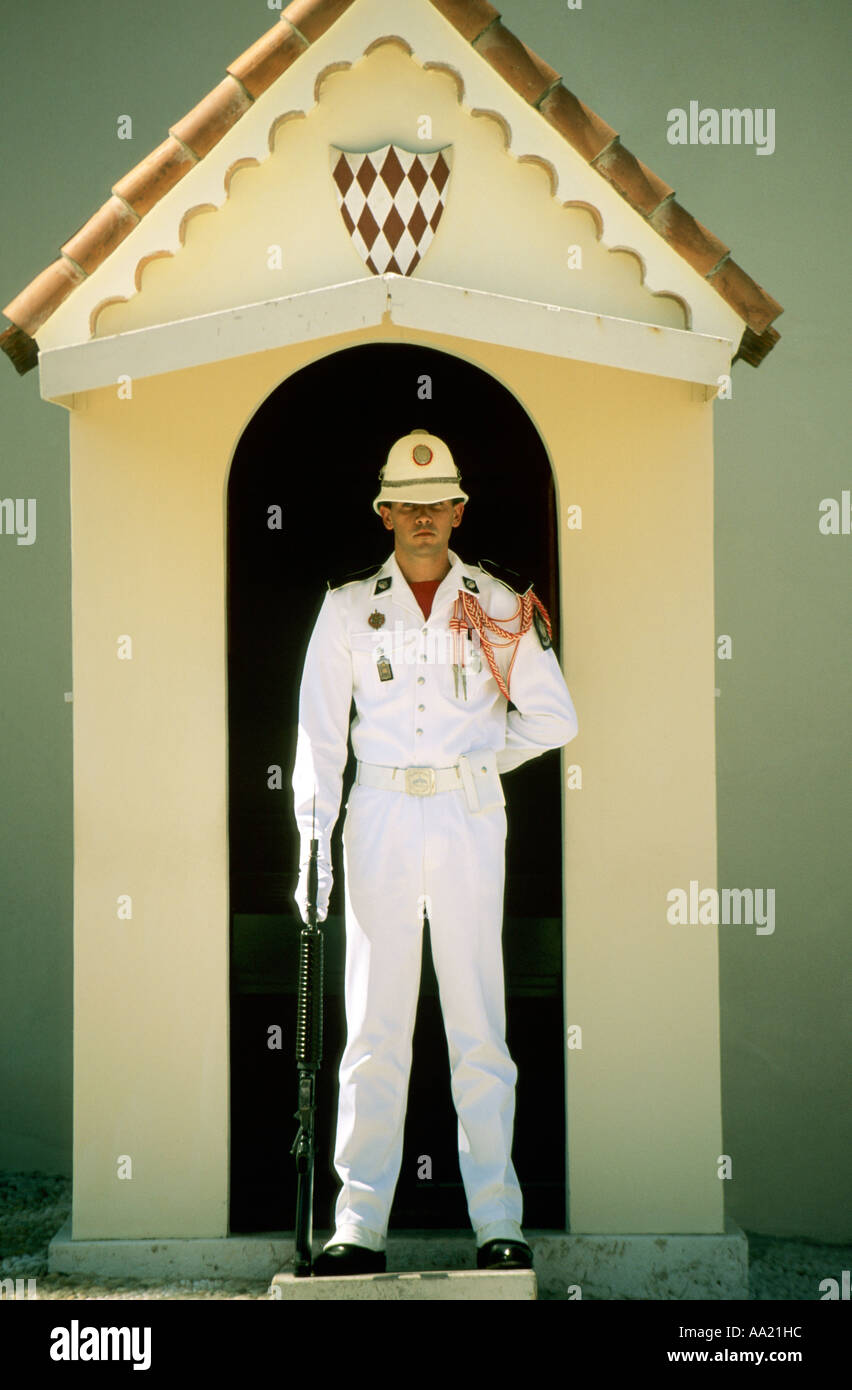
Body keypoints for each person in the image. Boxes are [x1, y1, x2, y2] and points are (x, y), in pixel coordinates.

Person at [291, 428, 578, 1276]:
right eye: (406, 507)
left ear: (459, 510)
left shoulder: (495, 603)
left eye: (437, 505)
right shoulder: (346, 608)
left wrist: (481, 761)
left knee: (477, 1023)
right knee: (374, 1026)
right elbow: (318, 737)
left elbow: (556, 718)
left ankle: (498, 1221)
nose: (423, 519)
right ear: (384, 513)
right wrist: (314, 840)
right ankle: (357, 1224)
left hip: (463, 814)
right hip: (378, 811)